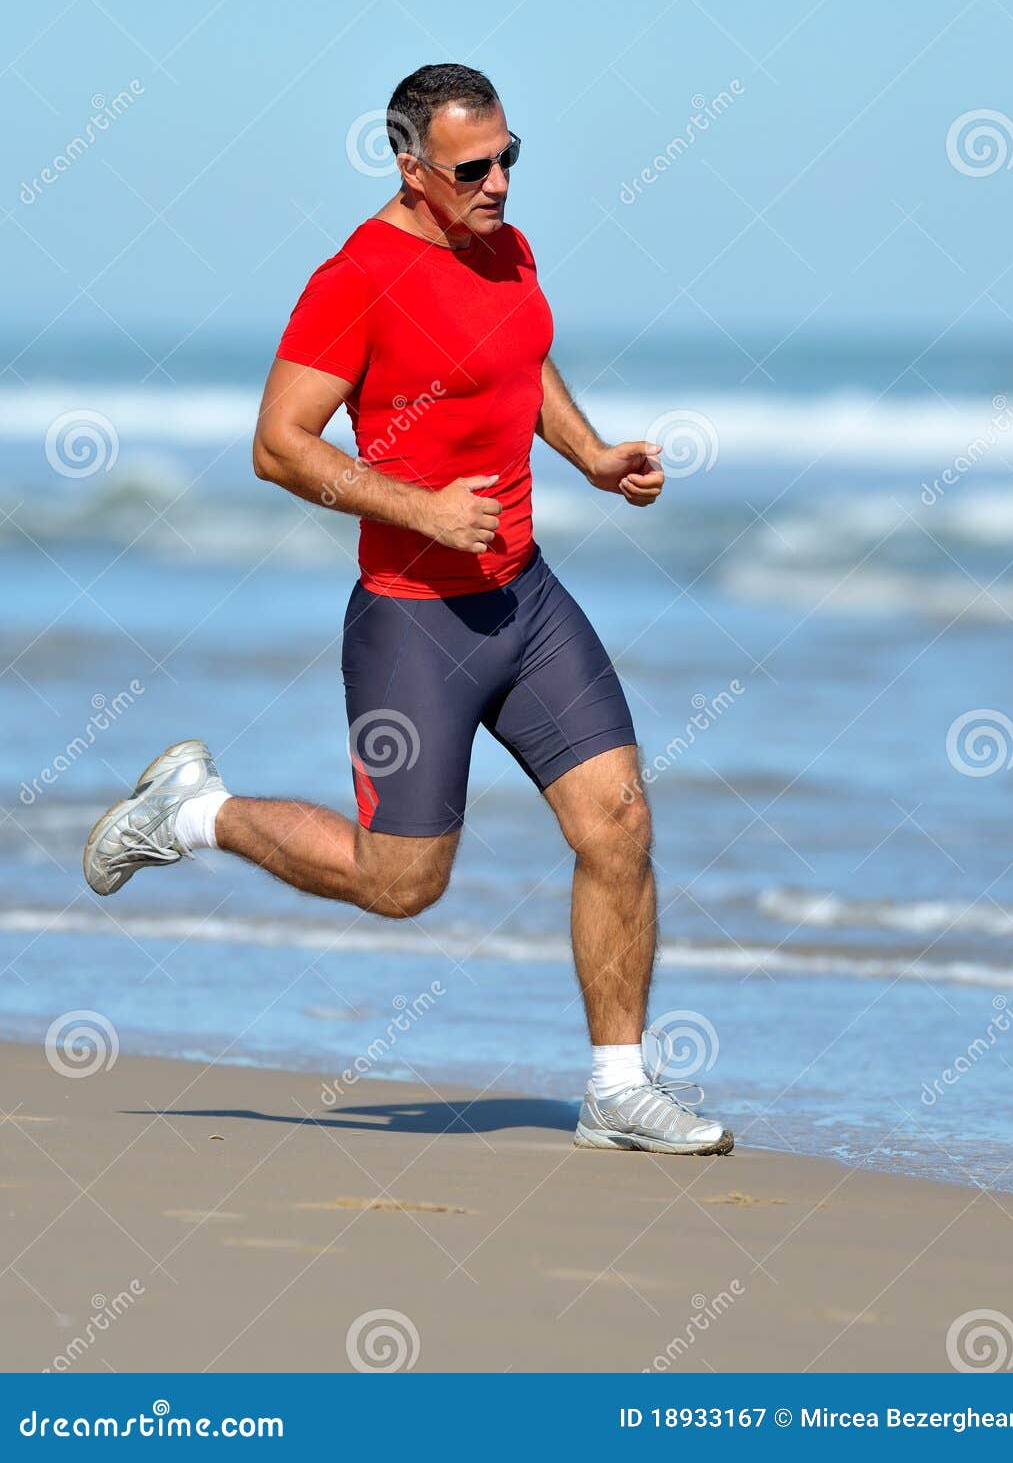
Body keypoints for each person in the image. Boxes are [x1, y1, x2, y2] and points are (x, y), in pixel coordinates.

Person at [83, 63, 733, 1156]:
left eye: (510, 158)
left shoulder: (506, 249)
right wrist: (422, 508)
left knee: (618, 822)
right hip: (414, 618)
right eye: (472, 168)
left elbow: (520, 361)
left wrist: (589, 456)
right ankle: (192, 811)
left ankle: (618, 1088)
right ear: (410, 165)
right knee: (402, 884)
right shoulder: (357, 276)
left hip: (525, 599)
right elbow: (277, 444)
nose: (498, 184)